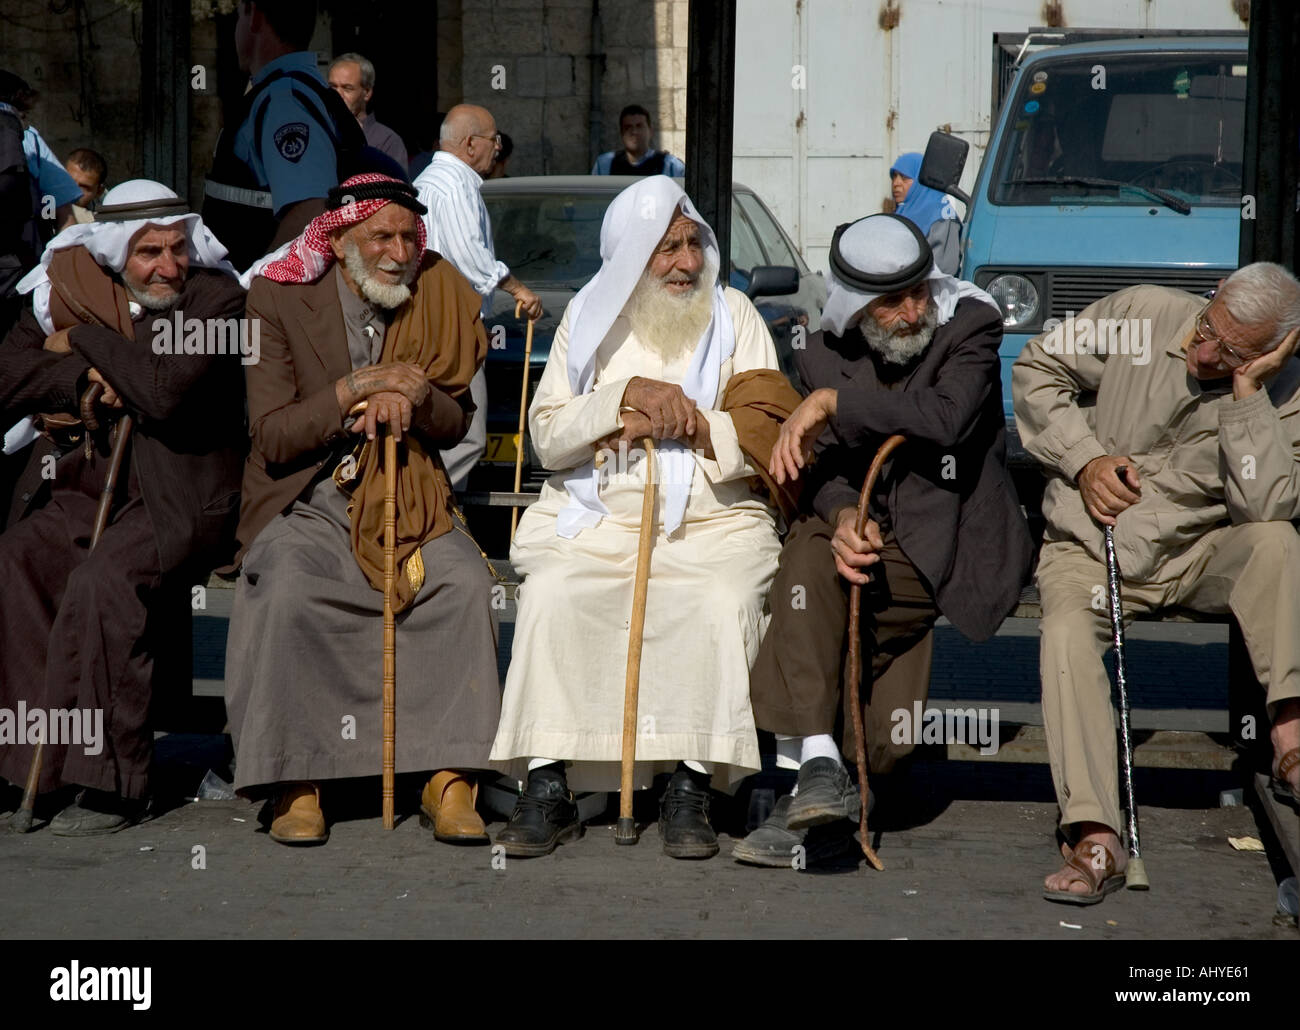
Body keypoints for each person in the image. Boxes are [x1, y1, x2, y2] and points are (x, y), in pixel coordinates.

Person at [490, 175, 802, 859]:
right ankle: (550, 780)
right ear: (633, 255)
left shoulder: (736, 315)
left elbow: (764, 427)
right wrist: (621, 401)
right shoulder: (590, 318)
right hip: (602, 515)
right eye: (667, 249)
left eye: (693, 245)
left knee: (718, 599)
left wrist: (693, 423)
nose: (687, 263)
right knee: (554, 592)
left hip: (712, 518)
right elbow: (547, 434)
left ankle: (691, 783)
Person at [732, 213, 1033, 867]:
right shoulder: (820, 352)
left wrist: (835, 405)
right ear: (857, 307)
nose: (912, 310)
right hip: (863, 533)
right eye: (892, 302)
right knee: (810, 557)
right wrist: (844, 517)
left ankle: (811, 791)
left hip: (946, 533)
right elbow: (821, 471)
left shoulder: (971, 323)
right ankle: (817, 765)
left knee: (888, 744)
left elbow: (947, 420)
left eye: (919, 289)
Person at [224, 174, 500, 847]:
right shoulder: (276, 298)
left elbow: (459, 419)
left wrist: (414, 396)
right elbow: (274, 435)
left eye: (409, 236)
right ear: (341, 238)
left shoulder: (438, 291)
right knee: (291, 589)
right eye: (382, 235)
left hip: (412, 495)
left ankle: (449, 775)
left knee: (463, 585)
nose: (399, 250)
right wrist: (353, 389)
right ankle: (298, 780)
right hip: (312, 496)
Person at [1014, 265, 1300, 904]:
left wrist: (1247, 395)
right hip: (1092, 548)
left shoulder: (1287, 392)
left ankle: (1290, 736)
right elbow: (1037, 367)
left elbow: (1267, 505)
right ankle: (1095, 831)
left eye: (1232, 352)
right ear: (1211, 298)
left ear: (1275, 351)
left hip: (1197, 553)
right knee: (1063, 631)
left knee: (1279, 543)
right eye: (1207, 329)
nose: (1205, 352)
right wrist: (1083, 458)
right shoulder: (1141, 314)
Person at [0, 180, 246, 834]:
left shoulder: (217, 299)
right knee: (19, 558)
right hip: (91, 481)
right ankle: (32, 767)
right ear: (114, 257)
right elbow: (7, 375)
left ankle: (110, 780)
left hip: (185, 495)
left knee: (102, 580)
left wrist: (84, 343)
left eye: (177, 248)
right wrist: (81, 382)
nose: (168, 266)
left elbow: (162, 390)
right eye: (148, 254)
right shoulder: (72, 288)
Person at [412, 104, 542, 491]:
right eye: (494, 140)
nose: (498, 149)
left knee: (445, 432)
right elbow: (471, 258)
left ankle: (441, 522)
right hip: (450, 329)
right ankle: (431, 516)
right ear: (470, 144)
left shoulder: (436, 180)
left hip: (434, 325)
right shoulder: (454, 185)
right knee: (466, 436)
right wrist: (517, 288)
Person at [202, 0, 365, 271]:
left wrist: (255, 284)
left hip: (263, 304)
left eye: (238, 16)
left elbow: (311, 211)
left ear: (253, 14)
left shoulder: (284, 100)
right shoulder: (288, 92)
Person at [328, 52, 408, 173]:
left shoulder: (387, 140)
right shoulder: (319, 132)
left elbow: (394, 189)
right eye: (332, 87)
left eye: (347, 88)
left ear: (367, 93)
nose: (338, 95)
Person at [888, 152, 960, 276]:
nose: (896, 183)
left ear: (921, 180)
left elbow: (943, 271)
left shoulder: (941, 216)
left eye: (904, 177)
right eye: (894, 176)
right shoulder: (903, 213)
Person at [591, 104, 685, 178]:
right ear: (621, 132)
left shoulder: (670, 165)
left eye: (639, 126)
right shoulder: (604, 164)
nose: (634, 132)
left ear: (650, 131)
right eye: (628, 127)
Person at [64, 147, 108, 223]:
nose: (73, 191)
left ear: (99, 191)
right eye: (68, 181)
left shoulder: (107, 200)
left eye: (83, 187)